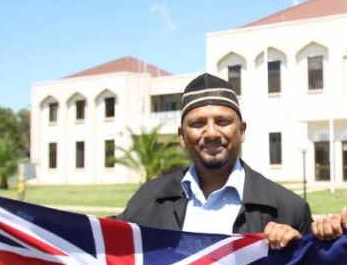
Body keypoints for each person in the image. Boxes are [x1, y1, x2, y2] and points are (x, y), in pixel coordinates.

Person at [118, 73, 312, 244]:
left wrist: (295, 250)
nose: (211, 133)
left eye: (223, 121)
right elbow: (109, 251)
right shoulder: (148, 200)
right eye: (198, 123)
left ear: (242, 131)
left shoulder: (288, 210)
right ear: (182, 136)